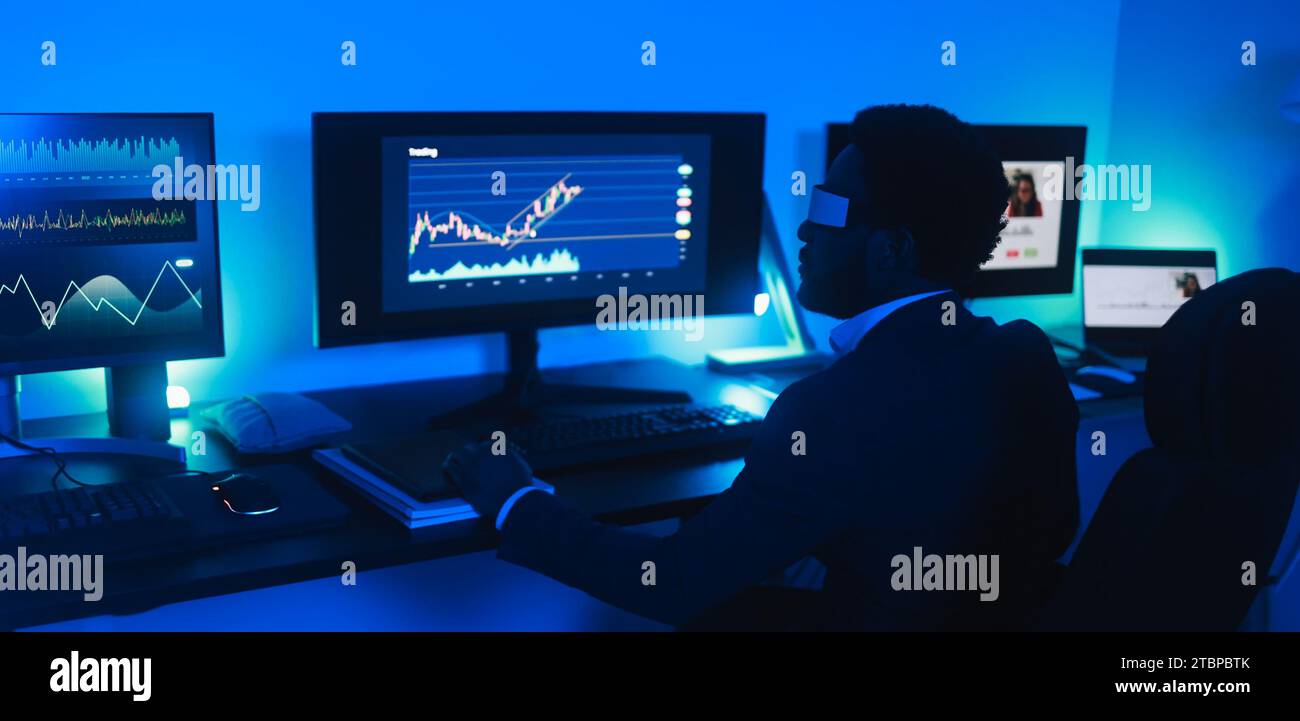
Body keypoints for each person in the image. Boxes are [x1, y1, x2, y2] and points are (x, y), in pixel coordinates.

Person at [443, 104, 1080, 631]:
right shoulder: (1023, 354)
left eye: (830, 209)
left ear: (893, 249)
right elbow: (1047, 533)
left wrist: (515, 501)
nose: (805, 229)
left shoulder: (832, 409)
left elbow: (667, 583)